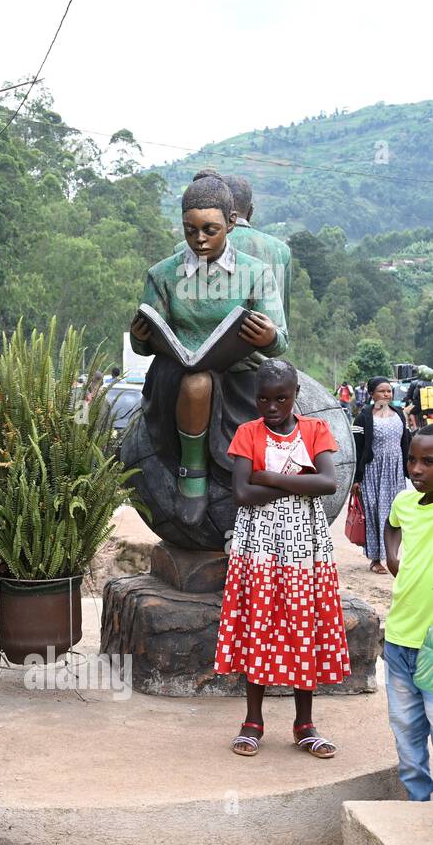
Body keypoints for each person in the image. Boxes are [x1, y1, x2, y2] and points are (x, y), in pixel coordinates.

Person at [131, 175, 286, 527]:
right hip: (178, 374)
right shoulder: (162, 274)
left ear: (231, 223)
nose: (199, 239)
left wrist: (268, 335)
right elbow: (146, 337)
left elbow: (281, 339)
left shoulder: (257, 272)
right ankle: (192, 471)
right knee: (195, 381)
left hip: (240, 372)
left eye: (210, 230)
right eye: (190, 230)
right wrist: (141, 337)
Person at [217, 359, 348, 758]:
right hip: (258, 548)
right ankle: (252, 721)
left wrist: (270, 478)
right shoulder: (247, 433)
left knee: (302, 624)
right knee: (259, 624)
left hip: (304, 549)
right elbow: (242, 493)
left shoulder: (315, 430)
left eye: (281, 398)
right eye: (263, 398)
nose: (271, 406)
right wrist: (298, 485)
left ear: (295, 396)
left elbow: (327, 482)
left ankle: (304, 724)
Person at [382, 425, 433, 800]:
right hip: (398, 637)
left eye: (428, 462)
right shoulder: (404, 502)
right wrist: (391, 555)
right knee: (406, 731)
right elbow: (390, 525)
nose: (416, 469)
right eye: (412, 459)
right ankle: (419, 803)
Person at [173, 174, 293, 322]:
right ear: (250, 211)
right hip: (262, 341)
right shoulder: (281, 251)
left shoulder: (184, 249)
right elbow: (282, 318)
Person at [357, 376, 411, 574]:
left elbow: (406, 442)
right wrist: (357, 479)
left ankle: (393, 556)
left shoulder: (399, 414)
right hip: (373, 471)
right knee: (375, 513)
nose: (387, 394)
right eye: (382, 391)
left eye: (389, 391)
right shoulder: (363, 416)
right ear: (372, 394)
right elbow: (358, 447)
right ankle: (376, 559)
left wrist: (409, 468)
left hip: (395, 471)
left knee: (395, 513)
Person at [403, 365, 433, 429]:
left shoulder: (418, 383)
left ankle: (413, 427)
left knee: (407, 412)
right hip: (431, 406)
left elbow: (414, 395)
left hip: (419, 405)